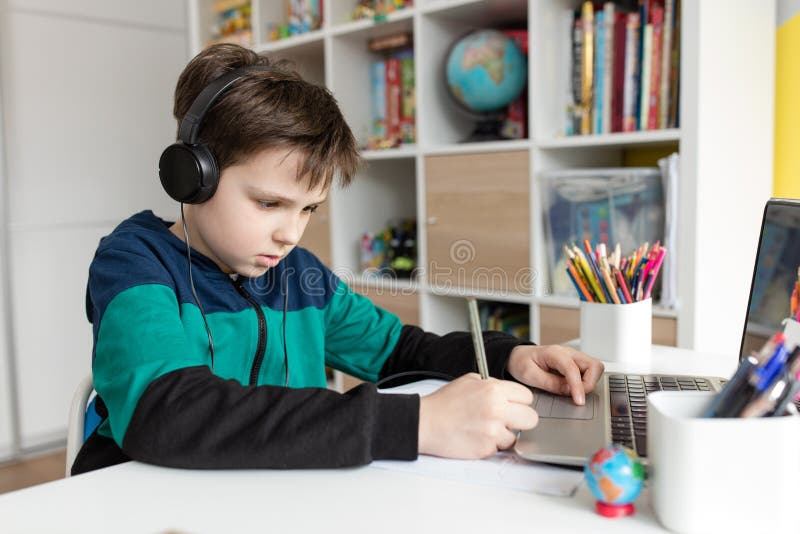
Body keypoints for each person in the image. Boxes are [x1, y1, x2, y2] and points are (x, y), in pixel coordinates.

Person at [72, 44, 604, 475]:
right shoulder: (135, 263)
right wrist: (415, 424)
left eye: (308, 209)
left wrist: (510, 356)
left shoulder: (299, 274)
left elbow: (399, 350)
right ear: (193, 177)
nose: (289, 233)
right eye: (269, 203)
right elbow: (168, 411)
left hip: (275, 494)